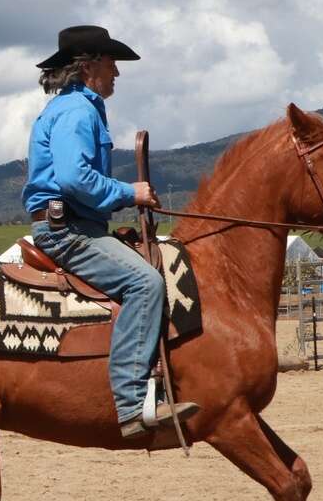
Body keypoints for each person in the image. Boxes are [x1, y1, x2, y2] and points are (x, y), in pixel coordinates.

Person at [23, 25, 198, 440]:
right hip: (67, 230)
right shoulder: (77, 111)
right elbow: (74, 178)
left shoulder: (76, 108)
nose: (117, 73)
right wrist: (129, 192)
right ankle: (133, 402)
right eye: (111, 63)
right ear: (89, 67)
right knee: (145, 282)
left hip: (76, 223)